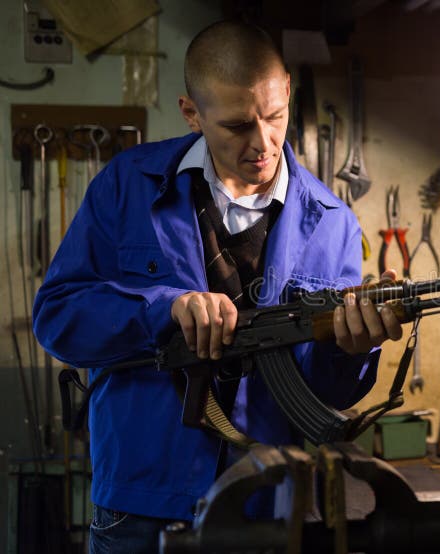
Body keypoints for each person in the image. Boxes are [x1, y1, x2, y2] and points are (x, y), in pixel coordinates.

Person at [33, 20, 402, 553]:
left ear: (288, 92)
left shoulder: (332, 222)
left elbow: (328, 392)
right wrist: (165, 309)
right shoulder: (126, 185)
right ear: (192, 113)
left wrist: (354, 346)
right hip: (142, 502)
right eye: (237, 126)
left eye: (275, 116)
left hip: (271, 504)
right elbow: (57, 317)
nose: (263, 143)